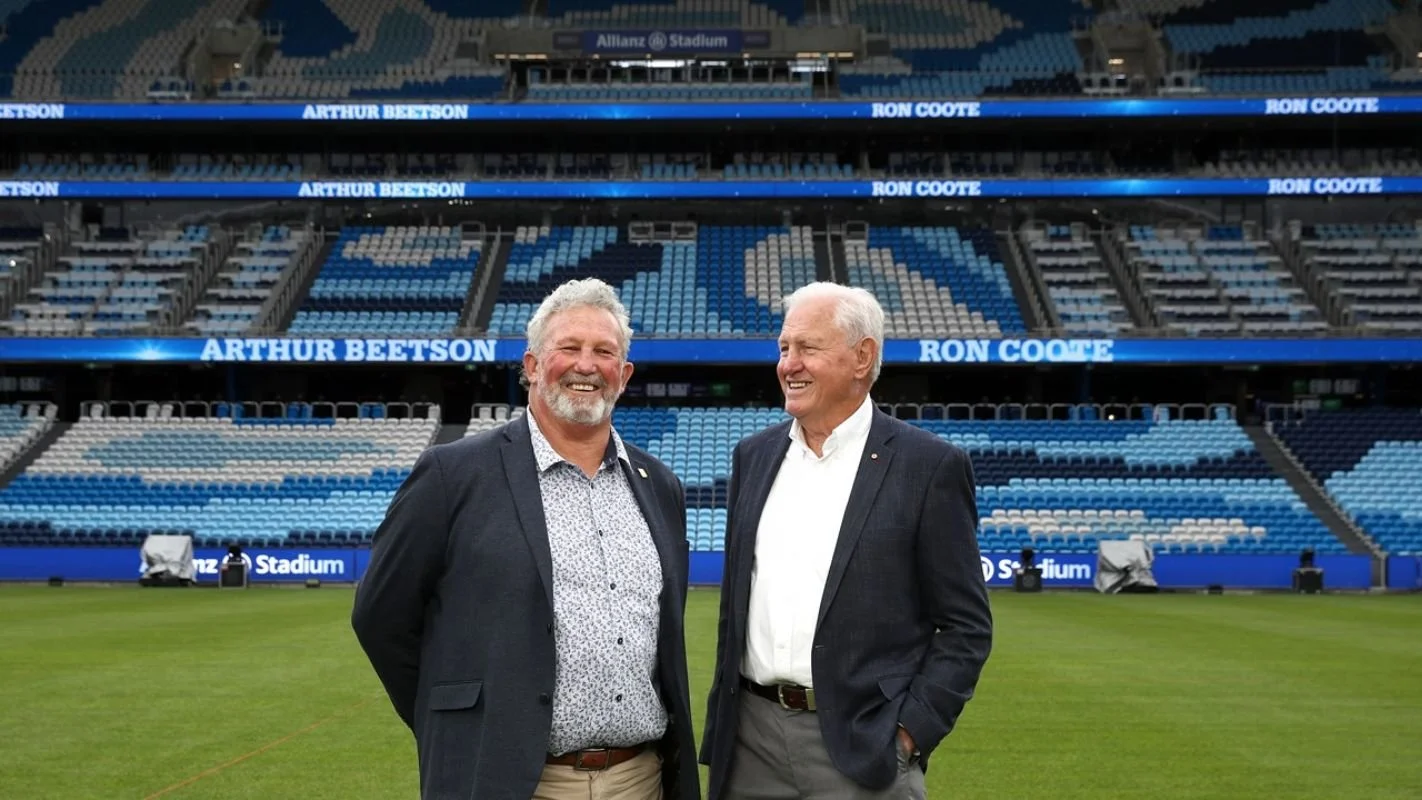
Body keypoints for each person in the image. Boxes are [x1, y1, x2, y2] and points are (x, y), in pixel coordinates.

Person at [353, 278, 700, 800]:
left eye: (604, 352)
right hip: (510, 781)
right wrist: (455, 719)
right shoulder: (452, 475)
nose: (586, 365)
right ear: (533, 366)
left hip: (640, 779)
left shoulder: (660, 486)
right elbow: (381, 617)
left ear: (624, 374)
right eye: (569, 348)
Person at [699, 282, 993, 799]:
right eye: (784, 348)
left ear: (862, 357)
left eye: (807, 348)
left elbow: (966, 626)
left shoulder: (929, 466)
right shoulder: (754, 456)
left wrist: (909, 733)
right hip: (748, 743)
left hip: (863, 747)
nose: (788, 365)